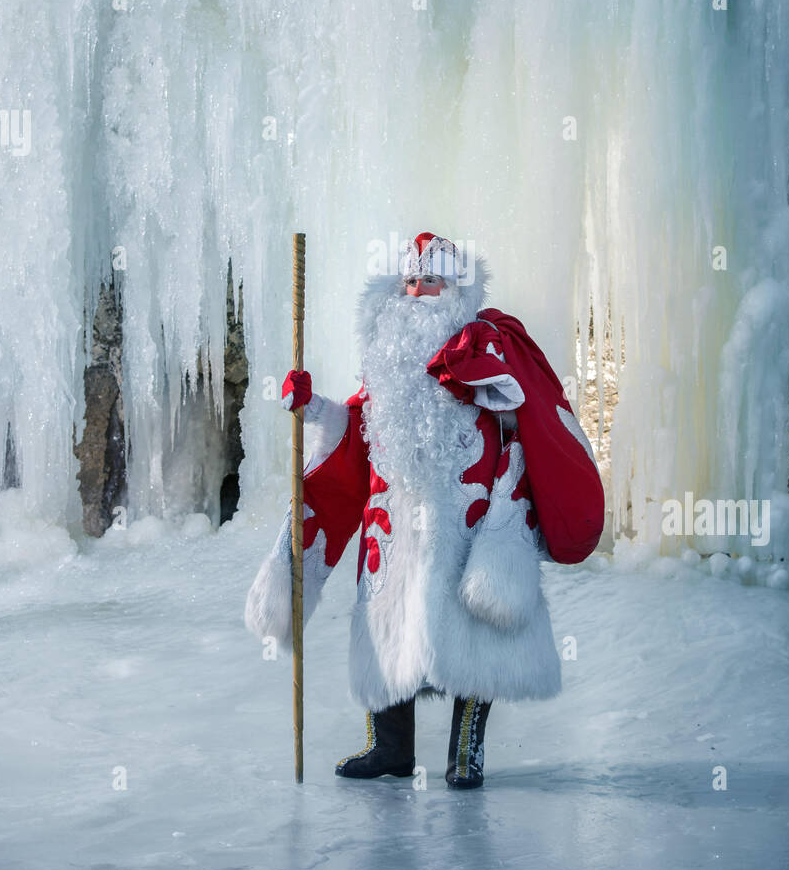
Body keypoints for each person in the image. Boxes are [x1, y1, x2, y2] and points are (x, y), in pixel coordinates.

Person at [245, 232, 604, 787]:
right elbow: (356, 428)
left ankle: (466, 750)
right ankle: (389, 749)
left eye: (430, 281)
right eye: (409, 281)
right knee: (388, 627)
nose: (417, 292)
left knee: (470, 631)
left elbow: (516, 403)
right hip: (393, 529)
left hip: (463, 522)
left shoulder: (484, 343)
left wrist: (471, 370)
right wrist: (311, 406)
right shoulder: (385, 363)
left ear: (455, 287)